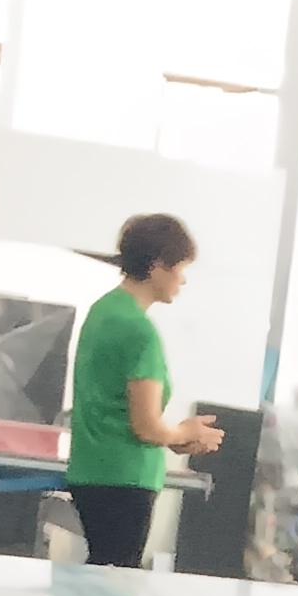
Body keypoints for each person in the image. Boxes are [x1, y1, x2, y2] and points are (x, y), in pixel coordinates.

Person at [66, 212, 222, 570]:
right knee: (115, 584)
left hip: (90, 470)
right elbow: (147, 427)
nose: (183, 279)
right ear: (157, 267)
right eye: (180, 268)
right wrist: (184, 432)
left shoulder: (102, 311)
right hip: (125, 478)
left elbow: (115, 406)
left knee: (99, 575)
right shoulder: (140, 331)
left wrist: (176, 439)